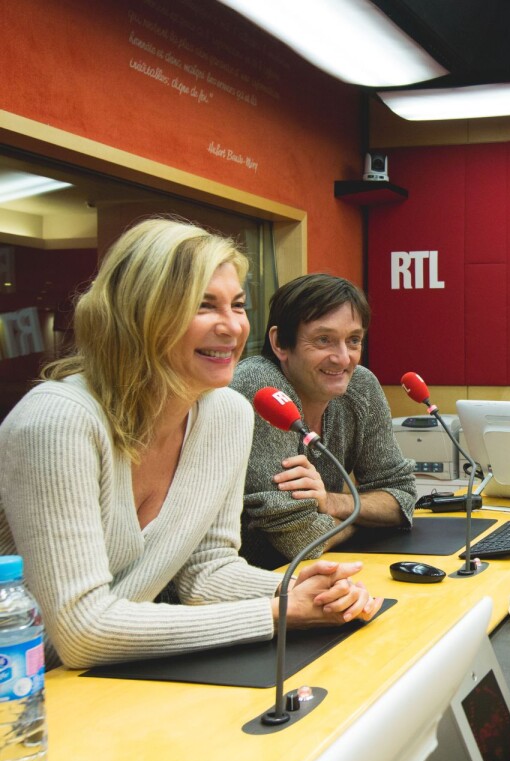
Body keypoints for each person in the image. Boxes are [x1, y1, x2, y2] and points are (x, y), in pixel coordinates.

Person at [0, 218, 378, 670]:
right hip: (21, 696)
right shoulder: (57, 421)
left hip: (100, 683)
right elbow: (80, 632)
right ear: (138, 315)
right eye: (204, 305)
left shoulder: (228, 414)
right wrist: (278, 612)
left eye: (237, 305)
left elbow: (206, 569)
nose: (232, 327)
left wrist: (295, 589)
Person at [232, 274, 416, 568]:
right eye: (323, 340)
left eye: (353, 340)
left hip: (311, 578)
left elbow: (402, 497)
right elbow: (301, 538)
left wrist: (332, 503)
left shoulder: (360, 386)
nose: (343, 359)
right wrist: (365, 520)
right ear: (280, 343)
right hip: (245, 591)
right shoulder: (260, 387)